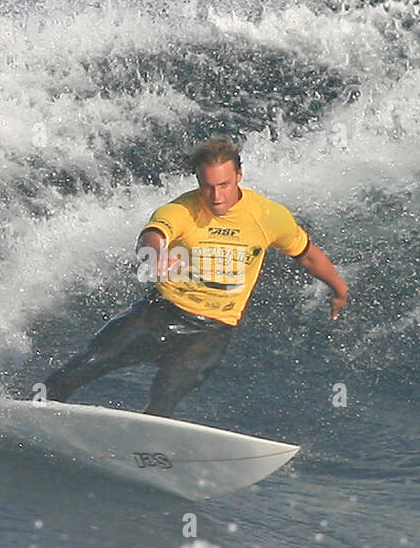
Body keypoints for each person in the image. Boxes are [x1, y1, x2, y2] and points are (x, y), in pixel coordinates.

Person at [38, 136, 349, 417]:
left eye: (224, 185)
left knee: (166, 395)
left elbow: (307, 254)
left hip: (212, 330)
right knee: (88, 363)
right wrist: (156, 254)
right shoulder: (183, 209)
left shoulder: (268, 216)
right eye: (207, 186)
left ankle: (145, 455)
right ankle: (33, 412)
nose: (215, 196)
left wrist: (339, 288)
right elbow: (152, 234)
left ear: (238, 177)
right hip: (159, 313)